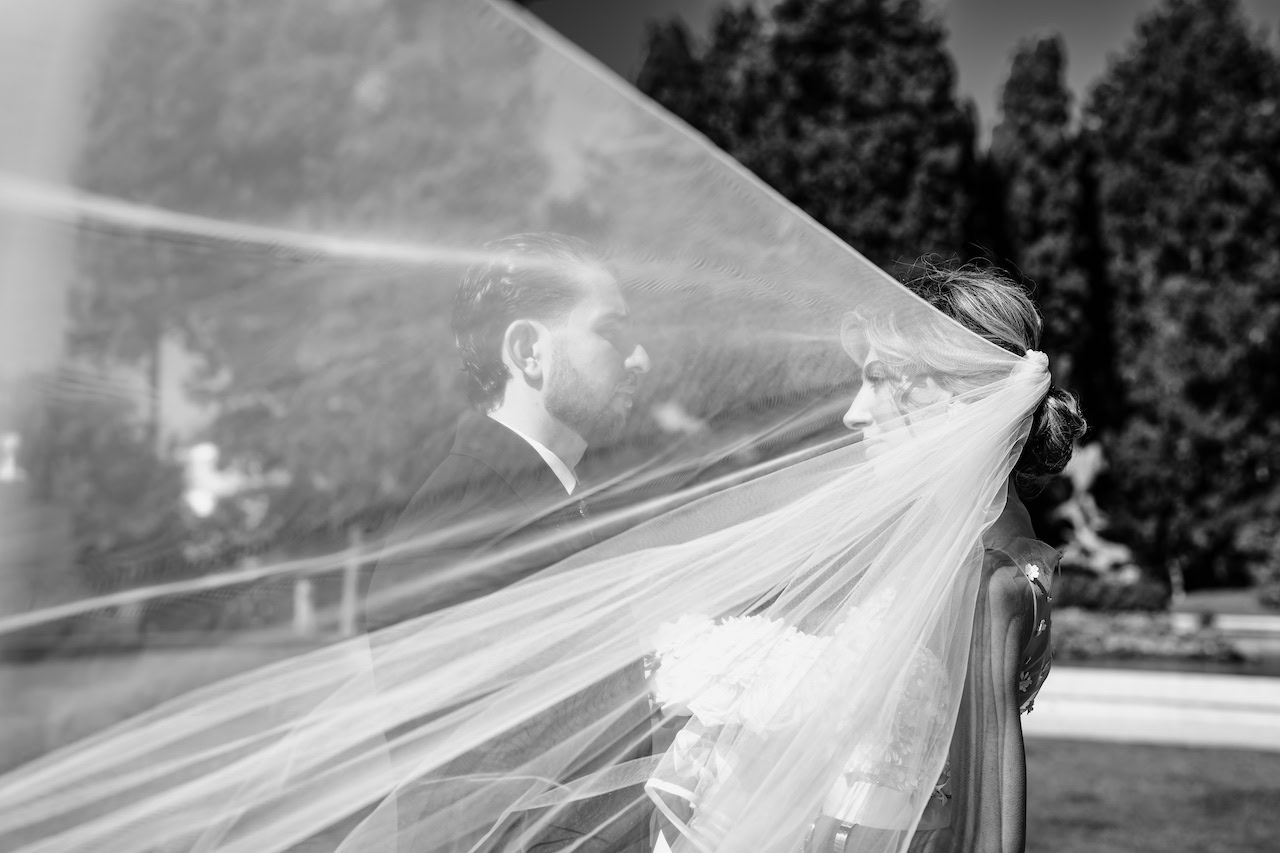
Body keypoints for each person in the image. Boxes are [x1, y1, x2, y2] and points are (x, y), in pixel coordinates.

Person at [364, 232, 656, 852]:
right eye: (611, 332)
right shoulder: (463, 529)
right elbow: (460, 806)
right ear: (529, 350)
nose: (641, 360)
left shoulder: (543, 500)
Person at [801, 263, 1087, 853]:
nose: (854, 412)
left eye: (878, 379)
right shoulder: (974, 547)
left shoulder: (987, 575)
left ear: (959, 396)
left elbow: (989, 812)